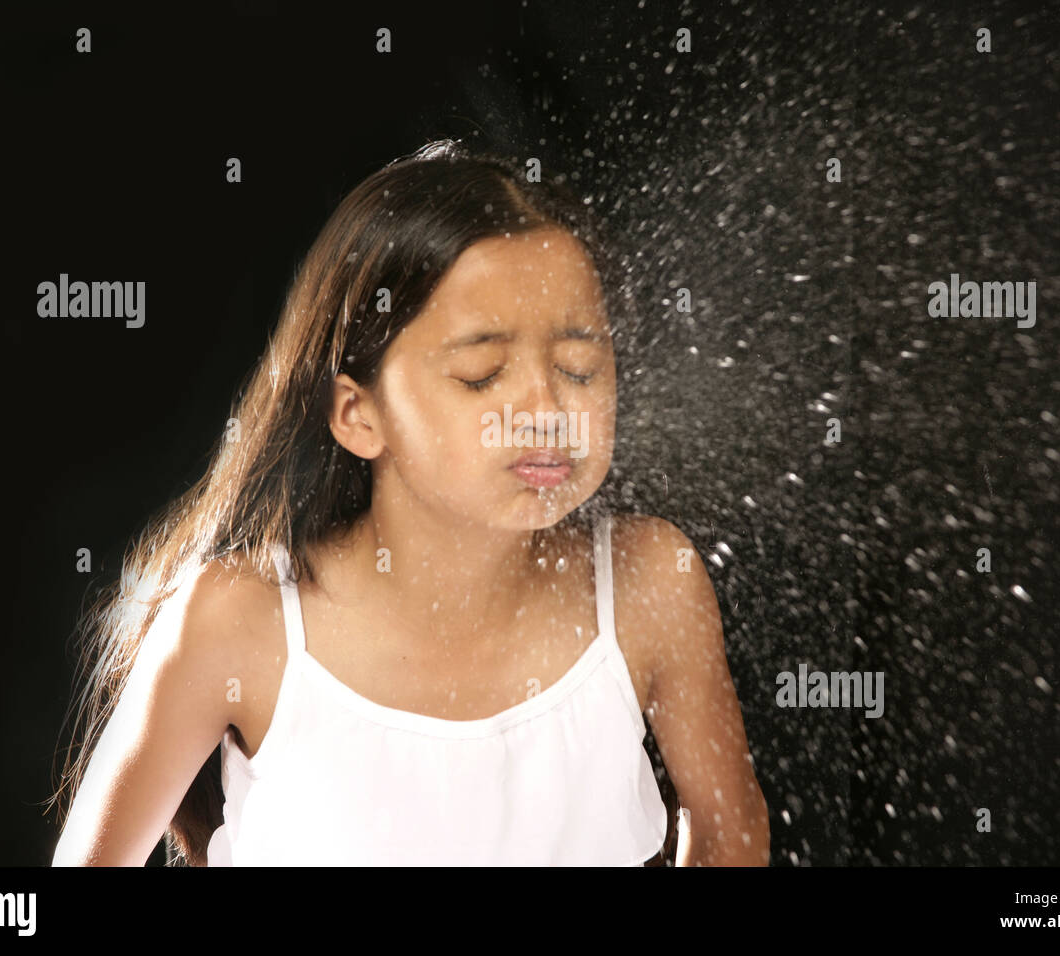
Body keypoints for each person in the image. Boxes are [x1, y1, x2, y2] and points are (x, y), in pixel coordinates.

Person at [47, 139, 770, 866]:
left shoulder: (651, 583)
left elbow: (732, 838)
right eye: (482, 376)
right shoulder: (241, 621)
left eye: (579, 367)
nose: (548, 409)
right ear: (359, 415)